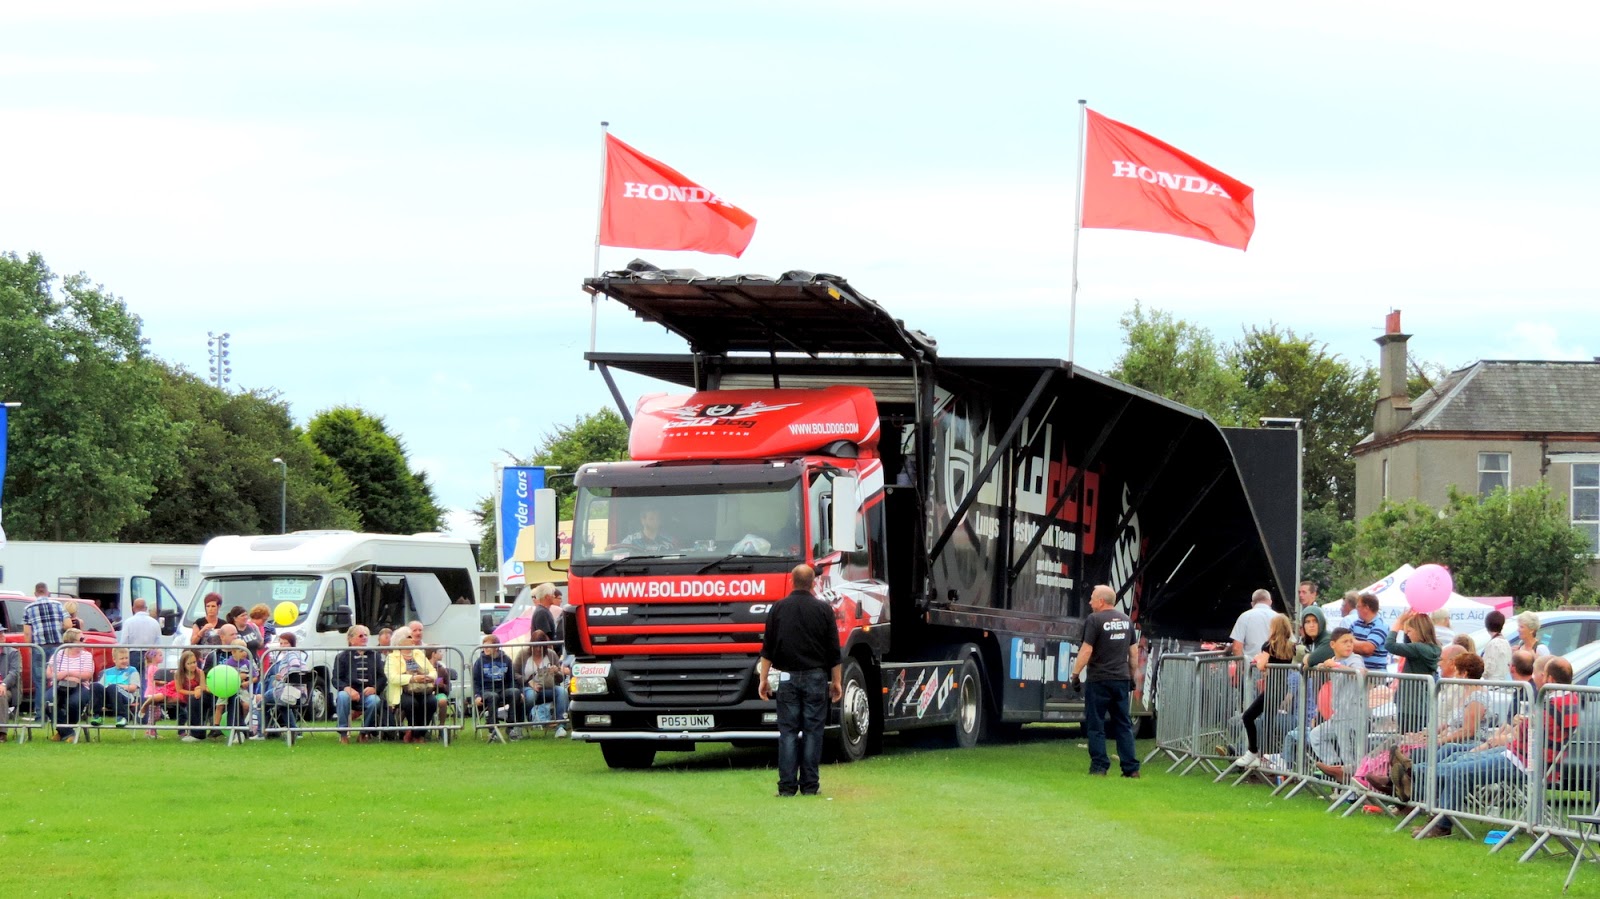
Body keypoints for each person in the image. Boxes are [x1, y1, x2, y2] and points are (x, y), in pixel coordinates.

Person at [1416, 656, 1579, 839]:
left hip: (1524, 762)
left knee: (1458, 770)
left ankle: (1422, 792)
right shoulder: (1568, 700)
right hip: (1521, 755)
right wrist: (1522, 724)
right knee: (1458, 759)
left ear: (1549, 679)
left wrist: (1521, 725)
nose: (1535, 678)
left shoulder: (1552, 704)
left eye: (1539, 674)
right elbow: (1530, 732)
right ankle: (1415, 778)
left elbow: (1526, 735)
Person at [757, 565, 843, 796]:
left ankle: (786, 787)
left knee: (788, 732)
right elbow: (834, 651)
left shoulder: (778, 608)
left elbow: (767, 650)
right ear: (813, 583)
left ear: (792, 582)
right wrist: (837, 682)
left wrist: (763, 679)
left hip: (787, 678)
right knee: (813, 731)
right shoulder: (824, 610)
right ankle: (809, 786)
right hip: (816, 677)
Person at [1072, 584, 1141, 778]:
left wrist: (1076, 674)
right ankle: (1131, 768)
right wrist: (1131, 677)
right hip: (1120, 680)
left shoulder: (1094, 620)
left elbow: (1087, 650)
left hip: (1099, 680)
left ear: (1101, 601)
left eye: (1092, 598)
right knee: (1123, 725)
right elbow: (1133, 653)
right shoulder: (1127, 621)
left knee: (1096, 725)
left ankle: (1099, 767)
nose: (1090, 601)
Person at [1234, 614, 1297, 769]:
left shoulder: (1269, 645)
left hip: (1271, 688)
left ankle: (1254, 751)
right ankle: (1263, 755)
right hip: (1282, 687)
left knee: (1248, 716)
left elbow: (1261, 665)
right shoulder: (1291, 647)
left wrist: (1259, 658)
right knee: (1269, 720)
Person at [1386, 610, 1441, 732]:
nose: (1407, 634)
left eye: (1409, 631)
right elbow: (1407, 644)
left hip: (1410, 706)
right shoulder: (1433, 648)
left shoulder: (1418, 648)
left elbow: (1390, 645)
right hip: (1421, 705)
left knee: (1408, 742)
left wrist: (1398, 623)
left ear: (1419, 631)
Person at [22, 582, 67, 721]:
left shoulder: (28, 608)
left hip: (39, 648)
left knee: (40, 682)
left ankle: (41, 716)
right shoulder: (59, 605)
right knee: (57, 681)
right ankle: (58, 714)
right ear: (48, 592)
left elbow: (27, 633)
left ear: (35, 593)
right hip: (57, 647)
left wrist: (30, 648)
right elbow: (68, 624)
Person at [333, 626, 384, 744]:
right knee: (342, 696)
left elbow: (382, 677)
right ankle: (343, 733)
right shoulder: (342, 657)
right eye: (361, 636)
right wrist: (347, 689)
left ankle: (364, 732)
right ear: (351, 640)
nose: (364, 638)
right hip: (349, 691)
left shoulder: (375, 655)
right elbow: (336, 679)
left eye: (366, 635)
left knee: (375, 701)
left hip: (367, 693)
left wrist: (374, 688)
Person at [385, 629, 436, 743]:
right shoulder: (392, 657)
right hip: (402, 691)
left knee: (431, 702)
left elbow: (433, 671)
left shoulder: (418, 653)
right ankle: (415, 734)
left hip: (423, 689)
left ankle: (417, 734)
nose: (412, 639)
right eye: (409, 636)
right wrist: (412, 679)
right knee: (412, 703)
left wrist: (429, 677)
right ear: (400, 640)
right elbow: (392, 677)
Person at [517, 630, 570, 737]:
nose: (538, 649)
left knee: (562, 692)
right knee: (531, 696)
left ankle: (561, 726)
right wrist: (528, 682)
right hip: (528, 688)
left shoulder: (551, 654)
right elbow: (514, 674)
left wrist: (556, 672)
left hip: (548, 688)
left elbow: (560, 679)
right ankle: (520, 722)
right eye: (536, 646)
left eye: (541, 646)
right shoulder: (522, 654)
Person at [47, 629, 95, 742]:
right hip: (59, 684)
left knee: (74, 702)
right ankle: (68, 732)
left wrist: (69, 673)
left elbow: (87, 675)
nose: (85, 641)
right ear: (71, 642)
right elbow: (49, 673)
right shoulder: (58, 653)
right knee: (47, 701)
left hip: (80, 686)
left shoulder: (87, 655)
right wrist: (63, 676)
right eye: (82, 639)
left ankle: (62, 731)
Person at [474, 635, 523, 741]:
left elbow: (512, 679)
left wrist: (520, 692)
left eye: (488, 646)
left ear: (496, 647)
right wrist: (477, 696)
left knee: (515, 692)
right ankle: (493, 731)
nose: (485, 649)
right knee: (493, 696)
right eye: (484, 646)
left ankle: (511, 727)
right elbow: (475, 681)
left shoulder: (506, 660)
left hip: (502, 690)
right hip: (486, 691)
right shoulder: (479, 662)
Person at [91, 647, 140, 727]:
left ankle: (122, 717)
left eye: (126, 658)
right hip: (108, 697)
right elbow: (101, 686)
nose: (124, 661)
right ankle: (97, 715)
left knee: (113, 687)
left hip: (125, 696)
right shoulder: (107, 672)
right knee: (95, 685)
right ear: (114, 659)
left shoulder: (132, 670)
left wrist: (119, 686)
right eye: (121, 658)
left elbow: (133, 687)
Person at [174, 649, 210, 742]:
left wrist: (198, 691)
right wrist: (193, 692)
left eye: (194, 662)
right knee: (184, 711)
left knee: (196, 704)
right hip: (184, 696)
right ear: (183, 665)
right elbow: (179, 689)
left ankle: (196, 732)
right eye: (189, 663)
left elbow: (203, 687)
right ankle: (183, 730)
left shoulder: (200, 672)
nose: (193, 665)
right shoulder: (178, 674)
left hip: (198, 696)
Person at [1228, 589, 1276, 658]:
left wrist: (1242, 666)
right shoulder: (1279, 617)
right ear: (1270, 602)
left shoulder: (1244, 617)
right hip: (1275, 666)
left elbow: (1236, 648)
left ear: (1252, 604)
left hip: (1251, 665)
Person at [1348, 593, 1390, 672]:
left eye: (1358, 606)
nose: (1356, 609)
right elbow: (1343, 644)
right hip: (1358, 674)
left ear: (1366, 608)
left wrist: (1351, 642)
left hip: (1375, 676)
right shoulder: (1355, 624)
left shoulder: (1381, 626)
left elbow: (1367, 649)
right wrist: (1361, 647)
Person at [120, 597, 164, 672]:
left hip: (133, 655)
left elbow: (123, 642)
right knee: (148, 678)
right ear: (146, 608)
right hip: (150, 655)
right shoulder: (155, 622)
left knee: (134, 678)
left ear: (133, 608)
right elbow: (158, 643)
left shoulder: (128, 622)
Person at [1481, 610, 1512, 680]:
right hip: (1504, 682)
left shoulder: (1493, 644)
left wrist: (1480, 675)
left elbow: (1489, 667)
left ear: (1487, 625)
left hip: (1493, 684)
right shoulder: (1506, 642)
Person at [0, 642, 19, 741]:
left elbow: (14, 673)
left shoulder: (13, 652)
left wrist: (4, 684)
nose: (2, 636)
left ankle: (2, 732)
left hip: (8, 689)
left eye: (3, 633)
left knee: (1, 695)